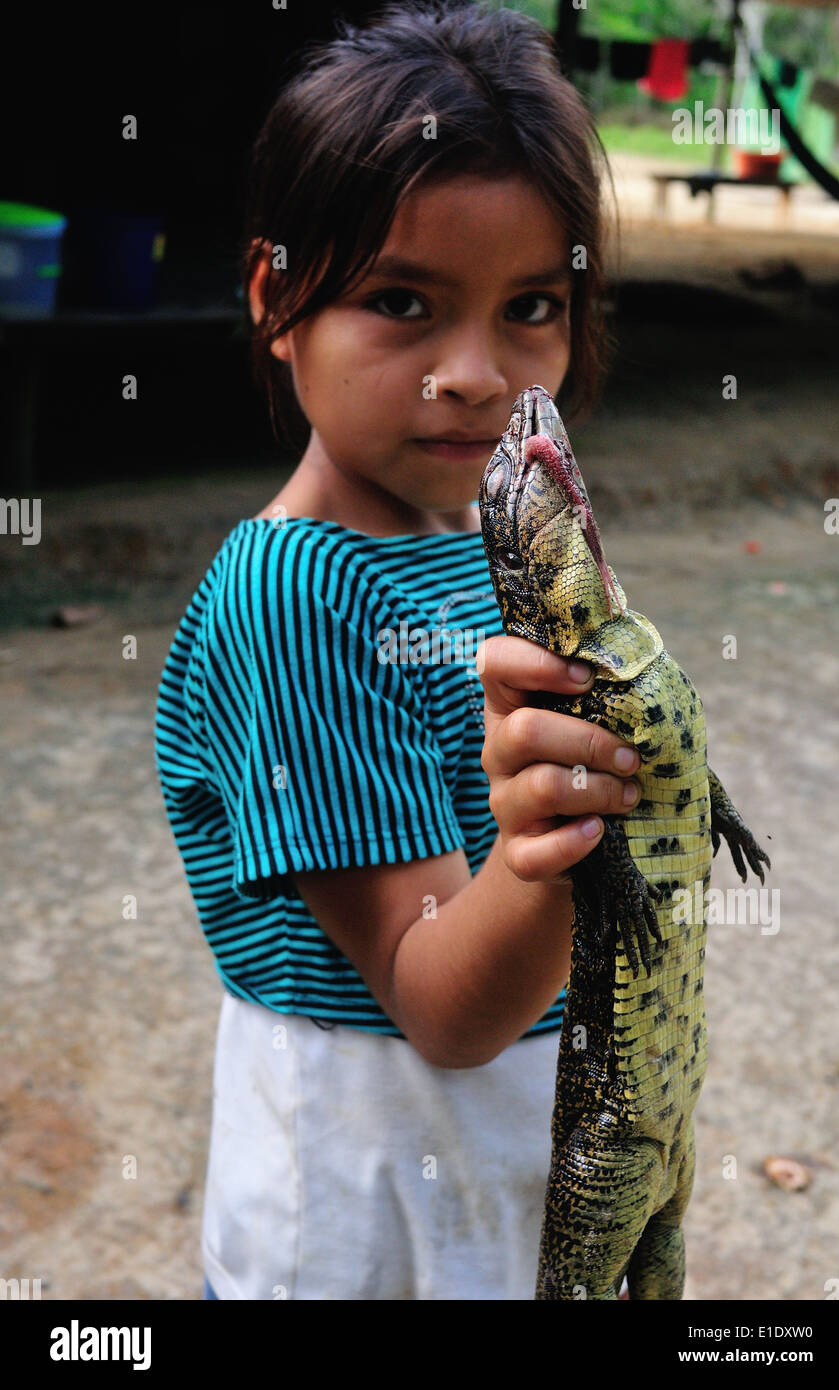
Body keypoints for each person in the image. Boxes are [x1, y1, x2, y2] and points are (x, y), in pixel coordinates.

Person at [154, 0, 642, 1301]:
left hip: (506, 1165)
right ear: (276, 298)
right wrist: (557, 843)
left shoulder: (503, 534)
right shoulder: (298, 592)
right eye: (402, 301)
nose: (475, 373)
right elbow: (440, 993)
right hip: (374, 1211)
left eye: (530, 304)